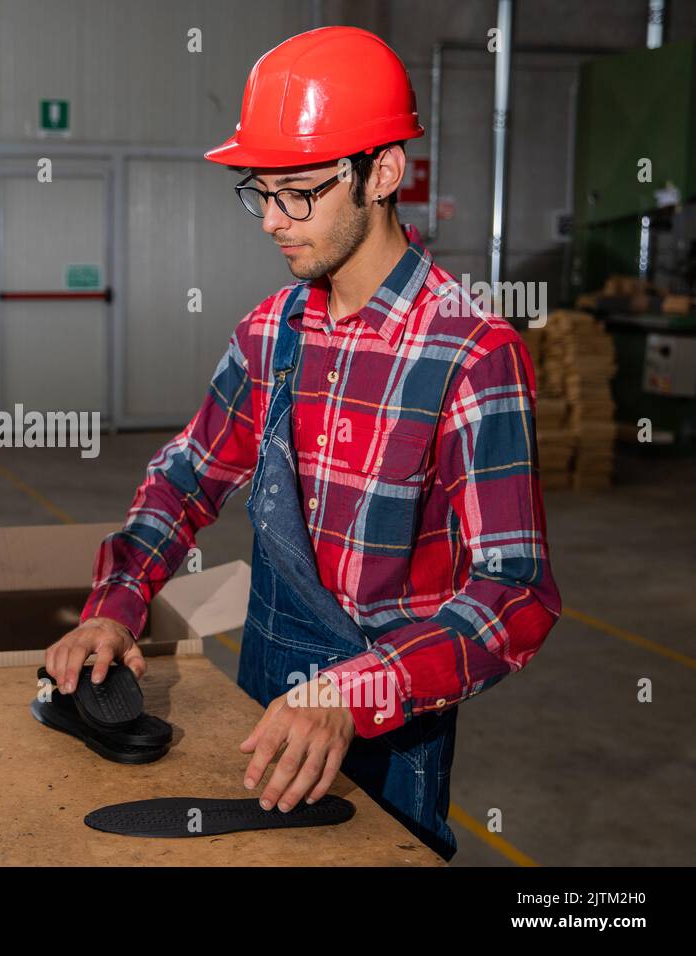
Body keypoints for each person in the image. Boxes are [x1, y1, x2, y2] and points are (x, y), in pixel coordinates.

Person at [43, 25, 561, 861]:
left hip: (388, 735)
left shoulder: (469, 355)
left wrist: (358, 691)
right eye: (261, 193)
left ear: (383, 172)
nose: (273, 223)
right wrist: (115, 606)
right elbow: (184, 481)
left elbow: (515, 595)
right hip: (267, 704)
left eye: (301, 194)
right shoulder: (272, 335)